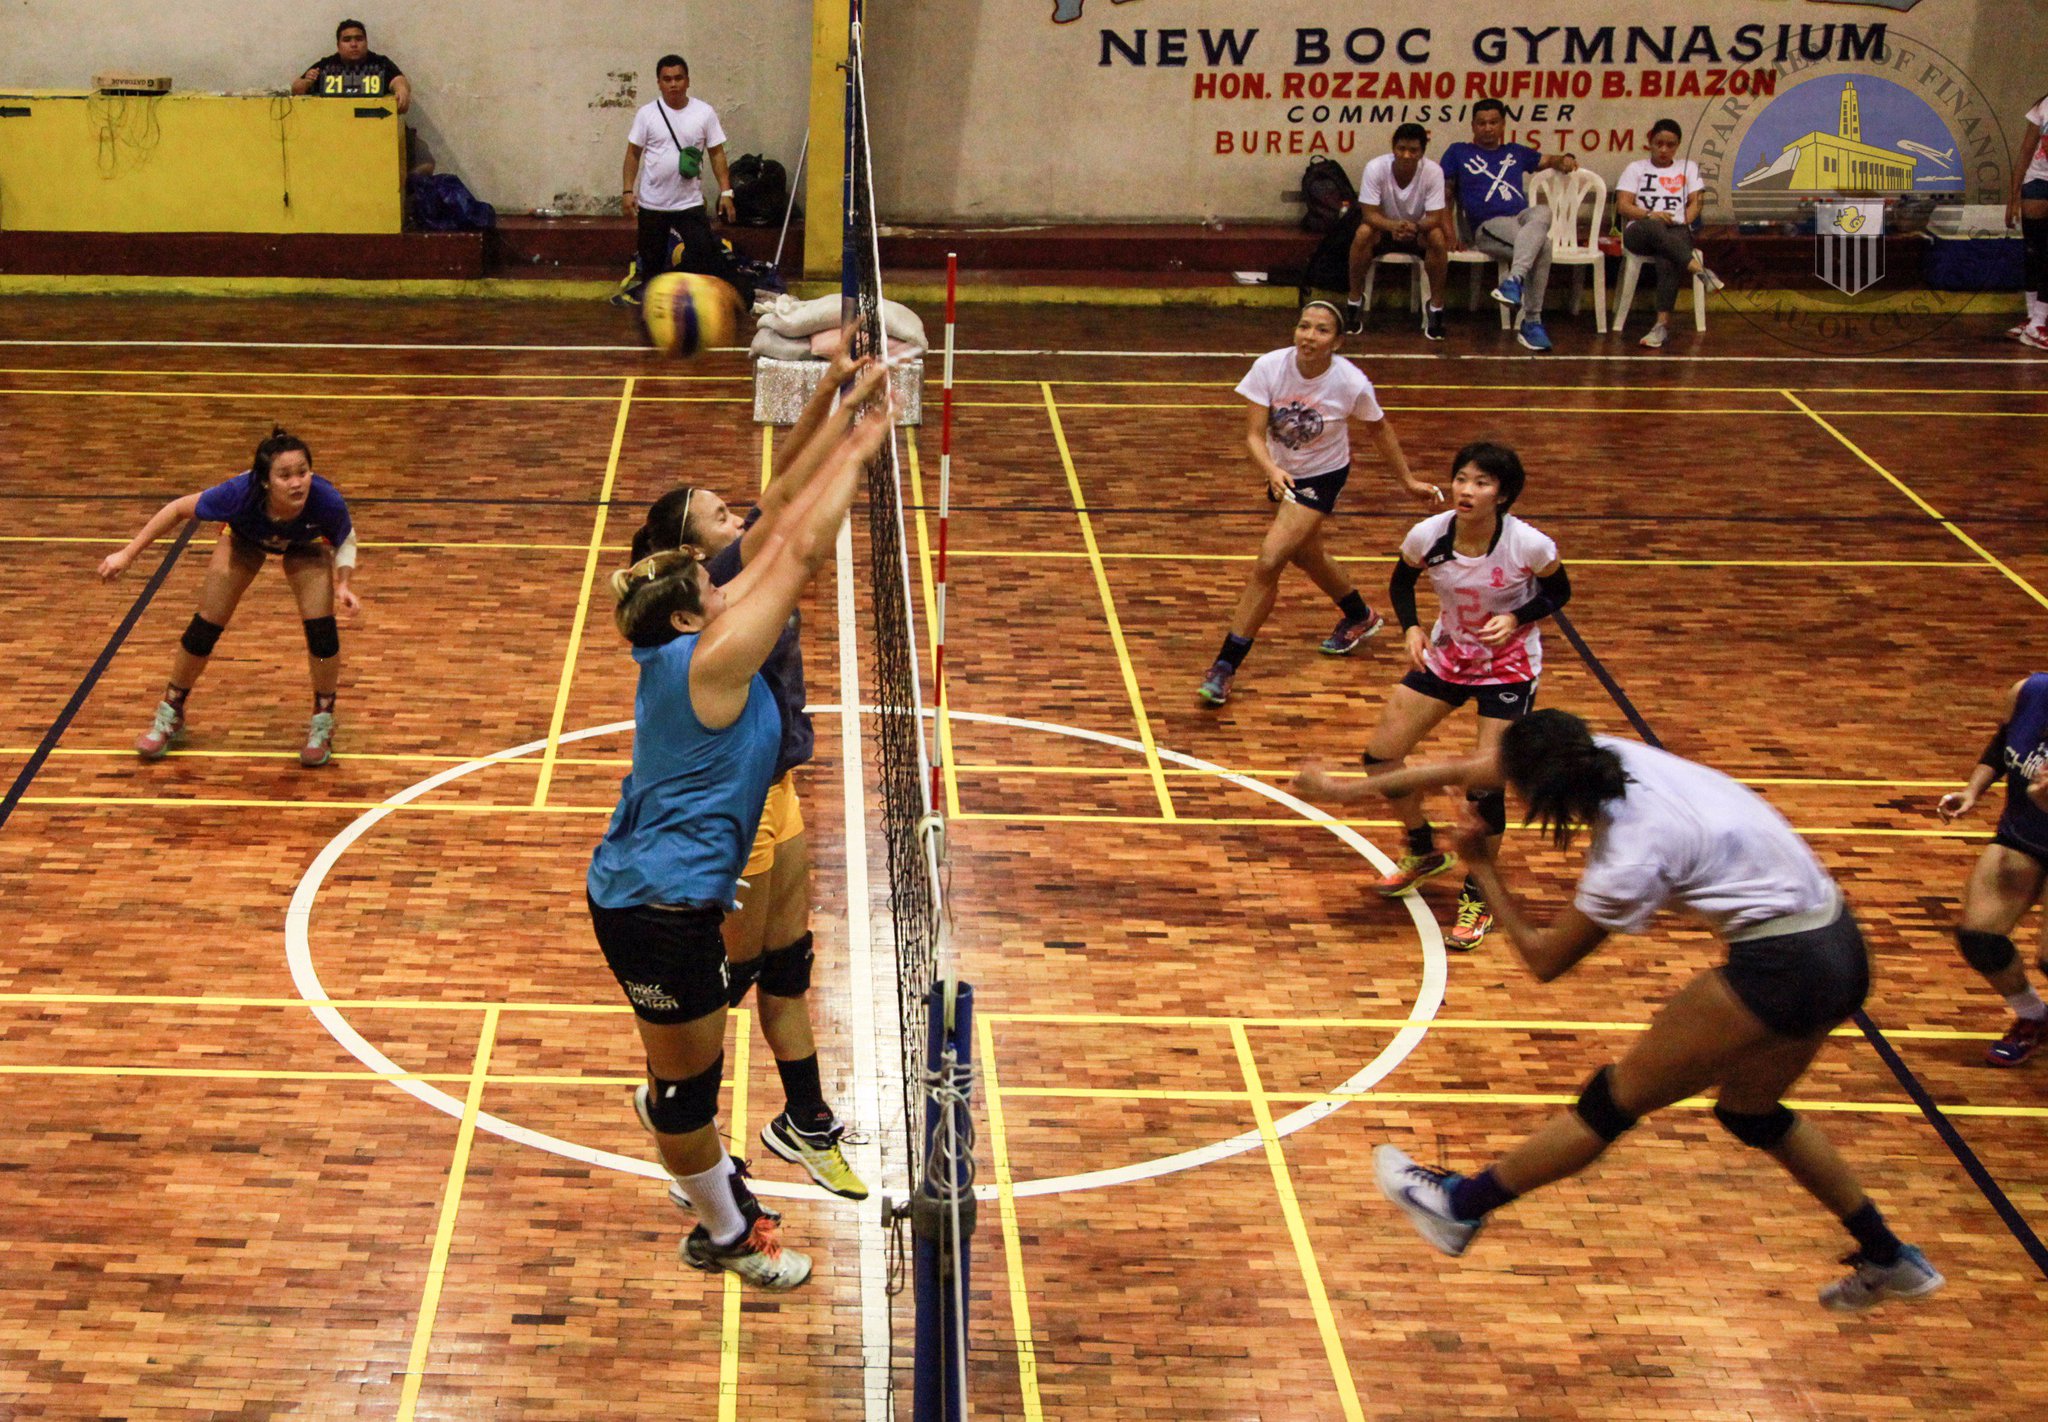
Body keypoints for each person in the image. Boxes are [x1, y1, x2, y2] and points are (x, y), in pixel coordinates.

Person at [1348, 710, 1945, 1312]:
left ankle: (1459, 1207)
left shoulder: (1630, 856)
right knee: (1751, 1113)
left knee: (1611, 1103)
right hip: (1840, 945)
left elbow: (1545, 959)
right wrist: (1347, 789)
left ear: (1540, 793)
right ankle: (1888, 1254)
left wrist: (1482, 865)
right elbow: (1480, 764)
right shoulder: (1606, 753)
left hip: (1783, 966)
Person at [587, 384, 888, 1291]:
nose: (729, 585)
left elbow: (783, 532)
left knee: (686, 1077)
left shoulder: (690, 641)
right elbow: (797, 552)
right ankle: (722, 1234)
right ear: (690, 616)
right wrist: (862, 444)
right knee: (687, 1098)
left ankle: (707, 1180)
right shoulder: (713, 663)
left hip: (660, 893)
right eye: (713, 588)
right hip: (656, 910)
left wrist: (845, 420)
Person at [1295, 443, 1567, 950]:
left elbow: (1559, 592)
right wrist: (1412, 627)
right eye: (1461, 478)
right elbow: (1402, 581)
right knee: (1381, 757)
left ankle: (1478, 895)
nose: (1467, 490)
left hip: (1507, 669)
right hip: (1448, 655)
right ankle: (1423, 849)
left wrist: (1517, 617)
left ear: (1502, 495)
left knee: (1486, 786)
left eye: (1481, 483)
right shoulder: (1429, 534)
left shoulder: (1529, 545)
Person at [1198, 301, 1442, 707]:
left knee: (1270, 560)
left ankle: (1225, 666)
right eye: (1303, 326)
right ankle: (1360, 615)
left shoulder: (1350, 383)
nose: (1309, 336)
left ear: (1338, 341)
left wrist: (1407, 481)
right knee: (1306, 554)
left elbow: (1379, 429)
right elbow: (1254, 436)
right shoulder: (1269, 367)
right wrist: (1271, 470)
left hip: (1322, 477)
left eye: (1321, 330)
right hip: (1281, 473)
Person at [97, 427, 359, 768]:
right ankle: (171, 711)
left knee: (322, 632)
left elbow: (346, 538)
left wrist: (343, 583)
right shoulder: (237, 494)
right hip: (245, 540)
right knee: (205, 626)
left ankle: (323, 718)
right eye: (285, 475)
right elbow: (177, 509)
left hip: (304, 546)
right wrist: (127, 554)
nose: (297, 483)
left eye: (303, 472)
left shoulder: (325, 499)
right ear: (265, 481)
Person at [1935, 674, 2048, 1064]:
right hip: (2023, 835)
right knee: (1979, 938)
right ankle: (2033, 1016)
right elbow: (2003, 744)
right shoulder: (2030, 692)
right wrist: (1972, 790)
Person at [1440, 99, 1581, 353]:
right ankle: (1532, 322)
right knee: (1544, 246)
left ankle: (1513, 280)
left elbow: (1549, 159)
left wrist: (1565, 159)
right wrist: (1450, 233)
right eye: (1482, 123)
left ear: (1503, 125)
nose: (1488, 128)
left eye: (1493, 122)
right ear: (1473, 126)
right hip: (1487, 227)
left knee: (1543, 211)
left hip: (1521, 220)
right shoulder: (1458, 152)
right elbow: (1445, 195)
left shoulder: (1515, 152)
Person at [620, 54, 752, 308]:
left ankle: (702, 304)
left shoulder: (704, 113)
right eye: (667, 79)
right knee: (651, 263)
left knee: (704, 255)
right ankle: (654, 310)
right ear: (659, 83)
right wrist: (627, 191)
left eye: (678, 78)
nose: (673, 84)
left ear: (688, 81)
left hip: (689, 203)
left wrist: (726, 193)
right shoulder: (647, 114)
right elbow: (633, 154)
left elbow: (717, 153)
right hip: (652, 204)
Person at [1615, 119, 1724, 350]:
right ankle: (1700, 271)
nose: (1664, 149)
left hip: (1675, 229)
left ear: (1678, 145)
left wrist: (1684, 220)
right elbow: (1623, 205)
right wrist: (1649, 214)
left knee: (1669, 255)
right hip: (1641, 229)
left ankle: (1661, 326)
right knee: (1656, 227)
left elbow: (1696, 202)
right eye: (1659, 143)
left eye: (1670, 145)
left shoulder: (1688, 168)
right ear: (1650, 142)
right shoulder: (1636, 168)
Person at [1344, 124, 1451, 341]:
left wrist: (1415, 227)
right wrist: (1392, 226)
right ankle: (1354, 301)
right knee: (1363, 233)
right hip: (1384, 229)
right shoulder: (1375, 168)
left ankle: (1436, 307)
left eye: (1413, 150)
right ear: (1393, 148)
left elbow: (1435, 217)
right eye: (1401, 149)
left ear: (1422, 152)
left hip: (1418, 231)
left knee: (1438, 238)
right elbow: (1369, 214)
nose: (1406, 155)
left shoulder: (1433, 172)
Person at [292, 19, 410, 113]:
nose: (353, 44)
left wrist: (402, 90)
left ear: (366, 42)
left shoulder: (380, 62)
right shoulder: (326, 65)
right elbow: (296, 89)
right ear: (338, 45)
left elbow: (398, 80)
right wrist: (307, 82)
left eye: (359, 39)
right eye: (347, 40)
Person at [2006, 92, 2048, 350]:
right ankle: (2035, 321)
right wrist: (2013, 197)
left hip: (2038, 185)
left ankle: (2037, 321)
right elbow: (2025, 151)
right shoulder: (2044, 104)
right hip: (2038, 183)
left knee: (2042, 255)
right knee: (2036, 254)